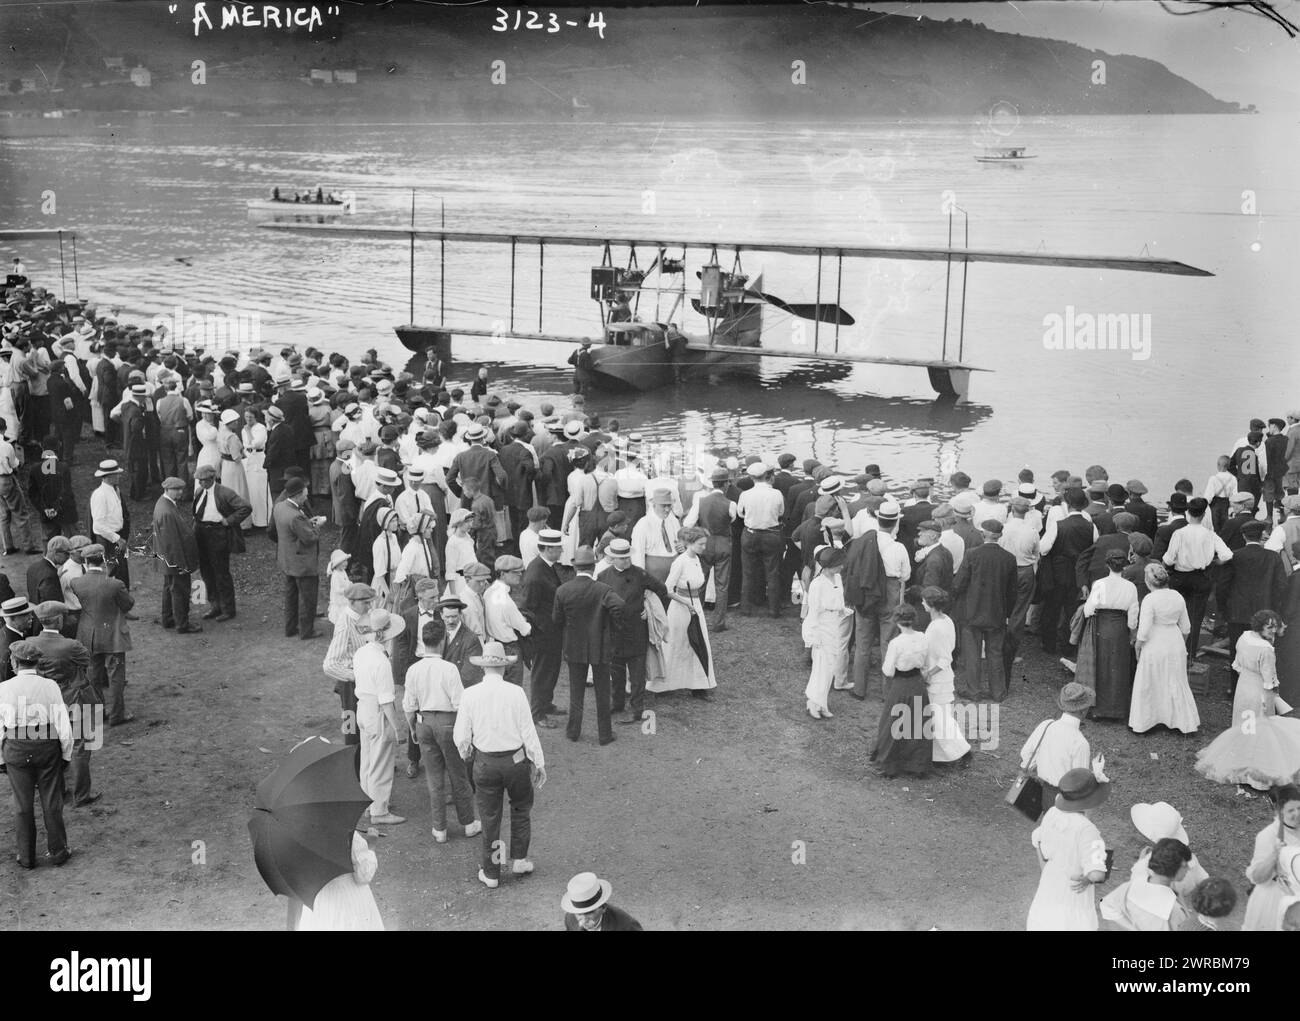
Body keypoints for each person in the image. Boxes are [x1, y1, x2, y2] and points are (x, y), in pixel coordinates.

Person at [453, 640, 547, 889]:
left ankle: (492, 872)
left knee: (490, 816)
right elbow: (528, 731)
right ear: (504, 668)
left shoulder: (470, 694)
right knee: (521, 808)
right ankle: (519, 859)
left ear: (483, 668)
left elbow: (461, 735)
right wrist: (539, 762)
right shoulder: (515, 692)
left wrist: (467, 754)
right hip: (516, 761)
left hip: (485, 762)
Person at [1196, 610, 1300, 790]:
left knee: (1245, 724)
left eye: (1274, 627)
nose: (1273, 631)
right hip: (1259, 690)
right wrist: (1270, 704)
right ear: (1260, 626)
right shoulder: (1266, 650)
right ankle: (1256, 774)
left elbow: (1237, 663)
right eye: (1269, 627)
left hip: (1244, 686)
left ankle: (1240, 761)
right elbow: (1269, 680)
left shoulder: (1244, 638)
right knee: (1261, 727)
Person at [403, 617, 481, 843]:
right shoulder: (449, 669)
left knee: (434, 777)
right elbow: (460, 703)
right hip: (448, 723)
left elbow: (408, 705)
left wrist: (413, 728)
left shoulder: (413, 669)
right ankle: (467, 823)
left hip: (423, 722)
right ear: (443, 640)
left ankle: (439, 829)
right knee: (458, 775)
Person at [0, 640, 73, 868]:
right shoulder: (50, 686)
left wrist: (1, 758)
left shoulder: (3, 688)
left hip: (16, 748)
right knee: (52, 801)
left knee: (22, 805)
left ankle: (26, 856)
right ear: (37, 662)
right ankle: (59, 852)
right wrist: (66, 755)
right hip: (46, 747)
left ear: (14, 662)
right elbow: (63, 724)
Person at [554, 546, 625, 745]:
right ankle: (604, 735)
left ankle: (573, 732)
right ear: (593, 567)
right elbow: (619, 606)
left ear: (575, 567)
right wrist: (611, 625)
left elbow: (556, 619)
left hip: (574, 646)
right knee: (603, 693)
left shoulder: (563, 590)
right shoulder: (603, 590)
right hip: (600, 647)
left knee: (576, 693)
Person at [1025, 767, 1110, 931]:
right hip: (1072, 899)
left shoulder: (1052, 814)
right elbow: (1097, 873)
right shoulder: (1089, 831)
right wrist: (1087, 879)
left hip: (1048, 889)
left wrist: (1048, 868)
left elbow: (1039, 843)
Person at [597, 537, 669, 725]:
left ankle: (637, 709)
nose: (626, 561)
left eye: (628, 557)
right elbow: (599, 603)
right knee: (616, 670)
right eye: (622, 559)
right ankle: (617, 703)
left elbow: (662, 589)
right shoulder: (603, 576)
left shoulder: (640, 574)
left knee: (637, 674)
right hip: (614, 632)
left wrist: (650, 607)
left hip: (636, 631)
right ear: (612, 559)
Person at [951, 519, 1017, 701]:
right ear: (1000, 536)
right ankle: (998, 691)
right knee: (995, 653)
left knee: (972, 654)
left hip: (972, 612)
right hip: (997, 613)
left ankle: (973, 690)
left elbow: (959, 583)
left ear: (983, 534)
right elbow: (1012, 592)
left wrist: (956, 596)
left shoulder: (972, 555)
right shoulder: (1009, 558)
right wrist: (1007, 614)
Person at [353, 608, 409, 827]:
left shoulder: (361, 653)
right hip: (377, 711)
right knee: (381, 762)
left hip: (362, 708)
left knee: (367, 760)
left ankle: (368, 804)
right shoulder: (382, 662)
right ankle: (379, 810)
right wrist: (397, 727)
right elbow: (386, 700)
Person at [1129, 563, 1200, 735]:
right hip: (1174, 639)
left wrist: (1138, 645)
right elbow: (1186, 627)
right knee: (1175, 679)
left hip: (1155, 641)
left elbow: (1144, 629)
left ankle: (1146, 722)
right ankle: (1181, 722)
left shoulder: (1150, 599)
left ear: (1148, 582)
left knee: (1150, 680)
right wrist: (1180, 643)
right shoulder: (1177, 596)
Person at [69, 545, 133, 727]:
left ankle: (99, 713)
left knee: (93, 676)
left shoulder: (76, 583)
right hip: (113, 635)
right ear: (103, 559)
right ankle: (117, 714)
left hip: (88, 635)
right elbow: (128, 604)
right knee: (116, 676)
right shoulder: (115, 584)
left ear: (86, 561)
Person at [650, 527, 716, 698]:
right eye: (701, 544)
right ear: (690, 543)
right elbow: (667, 589)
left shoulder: (697, 559)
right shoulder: (680, 561)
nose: (704, 547)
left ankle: (698, 686)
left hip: (696, 608)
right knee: (675, 644)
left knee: (698, 643)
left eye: (704, 544)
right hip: (680, 608)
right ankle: (662, 684)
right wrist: (685, 602)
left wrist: (693, 603)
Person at [1076, 548, 1139, 720]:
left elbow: (1089, 610)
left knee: (1101, 665)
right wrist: (1131, 631)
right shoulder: (1130, 586)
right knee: (1118, 667)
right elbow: (1133, 614)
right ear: (1125, 565)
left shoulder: (1100, 584)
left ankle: (1099, 709)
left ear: (1107, 565)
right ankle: (1117, 710)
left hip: (1101, 627)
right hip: (1120, 628)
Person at [192, 463, 252, 622]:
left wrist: (229, 520)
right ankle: (215, 605)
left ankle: (228, 608)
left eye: (203, 480)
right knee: (206, 571)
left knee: (221, 572)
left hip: (218, 534)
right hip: (201, 533)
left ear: (212, 478)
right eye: (199, 480)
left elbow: (245, 507)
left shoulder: (225, 493)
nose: (200, 483)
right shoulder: (199, 492)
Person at [521, 529, 568, 727]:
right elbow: (527, 608)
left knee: (551, 670)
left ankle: (546, 704)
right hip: (543, 634)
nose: (562, 550)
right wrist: (536, 635)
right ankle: (537, 713)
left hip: (552, 631)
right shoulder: (535, 574)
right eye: (558, 548)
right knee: (542, 673)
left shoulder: (546, 567)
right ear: (548, 548)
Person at [1238, 784, 1300, 931]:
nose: (1296, 814)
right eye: (1291, 810)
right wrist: (1274, 855)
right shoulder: (1267, 836)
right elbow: (1257, 877)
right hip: (1274, 902)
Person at [293, 831, 385, 931]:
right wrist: (371, 845)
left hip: (318, 901)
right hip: (348, 900)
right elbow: (364, 875)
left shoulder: (298, 833)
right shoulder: (348, 833)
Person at [922, 586, 971, 765]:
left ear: (930, 605)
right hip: (942, 679)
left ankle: (962, 751)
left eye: (924, 601)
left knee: (940, 721)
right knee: (941, 719)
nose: (922, 603)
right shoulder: (947, 620)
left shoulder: (936, 627)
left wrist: (928, 673)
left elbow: (945, 658)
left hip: (938, 680)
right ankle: (940, 756)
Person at [802, 546, 853, 719]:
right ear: (829, 565)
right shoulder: (817, 584)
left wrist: (841, 610)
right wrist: (813, 636)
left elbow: (838, 601)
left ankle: (821, 703)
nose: (842, 568)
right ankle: (814, 702)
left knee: (831, 665)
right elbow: (813, 612)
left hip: (834, 625)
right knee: (821, 666)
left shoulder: (837, 578)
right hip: (821, 628)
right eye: (839, 565)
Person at [1100, 837, 1193, 931]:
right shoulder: (1174, 910)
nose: (1188, 868)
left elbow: (1107, 906)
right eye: (1185, 866)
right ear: (1173, 867)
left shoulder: (1130, 887)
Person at [323, 582, 375, 747]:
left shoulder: (363, 616)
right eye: (365, 603)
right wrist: (353, 676)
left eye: (370, 601)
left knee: (369, 722)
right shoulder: (345, 624)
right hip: (350, 684)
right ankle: (352, 763)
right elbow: (329, 665)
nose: (369, 606)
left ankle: (370, 762)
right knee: (351, 725)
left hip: (366, 680)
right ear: (351, 602)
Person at [272, 477, 324, 640]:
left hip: (287, 560)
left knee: (291, 596)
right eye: (305, 494)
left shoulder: (280, 507)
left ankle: (290, 628)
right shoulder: (295, 516)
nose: (307, 496)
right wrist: (317, 525)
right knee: (307, 598)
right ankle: (307, 631)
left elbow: (292, 529)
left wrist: (307, 522)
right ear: (298, 495)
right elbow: (309, 538)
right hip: (302, 564)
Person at [152, 477, 202, 634]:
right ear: (167, 490)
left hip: (167, 560)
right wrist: (180, 564)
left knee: (169, 588)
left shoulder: (164, 504)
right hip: (175, 560)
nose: (180, 492)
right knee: (180, 590)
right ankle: (182, 624)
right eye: (176, 490)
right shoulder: (167, 511)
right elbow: (172, 542)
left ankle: (168, 619)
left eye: (181, 489)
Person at [737, 462, 786, 617]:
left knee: (748, 572)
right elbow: (781, 512)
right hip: (771, 534)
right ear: (766, 475)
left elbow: (740, 514)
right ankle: (773, 609)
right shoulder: (777, 493)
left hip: (750, 533)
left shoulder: (745, 494)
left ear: (751, 477)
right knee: (772, 572)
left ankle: (746, 608)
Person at [561, 871, 644, 931]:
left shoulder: (626, 925)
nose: (584, 920)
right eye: (579, 914)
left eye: (589, 912)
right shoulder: (570, 918)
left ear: (603, 907)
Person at [242, 408, 271, 529]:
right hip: (248, 458)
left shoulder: (261, 428)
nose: (248, 419)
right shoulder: (244, 428)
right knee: (250, 489)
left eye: (251, 417)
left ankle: (263, 520)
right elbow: (245, 444)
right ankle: (252, 519)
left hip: (258, 458)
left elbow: (255, 443)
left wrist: (248, 431)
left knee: (259, 489)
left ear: (256, 417)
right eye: (247, 417)